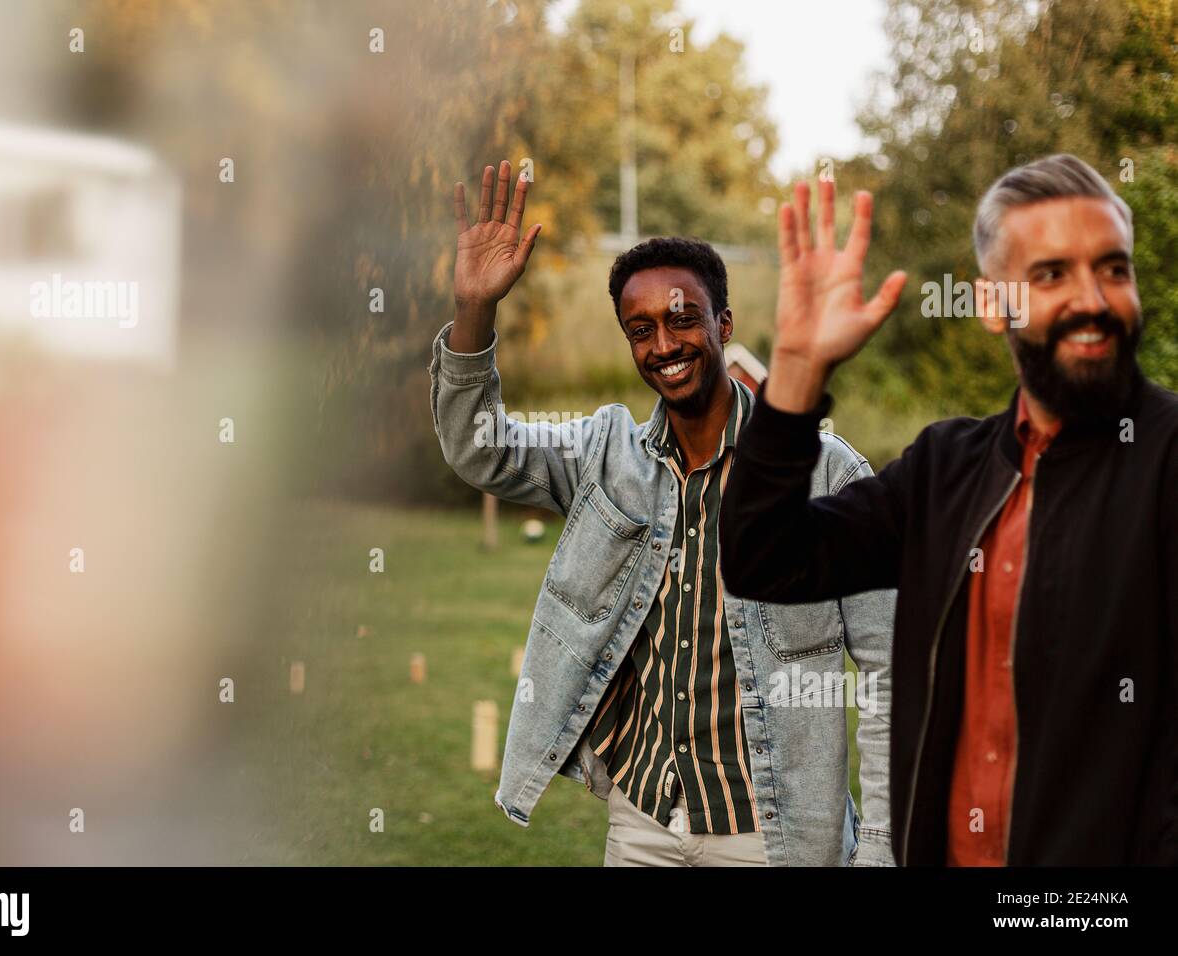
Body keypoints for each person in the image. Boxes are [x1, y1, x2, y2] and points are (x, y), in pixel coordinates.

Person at [428, 159, 895, 866]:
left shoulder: (827, 473)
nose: (664, 345)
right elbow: (478, 450)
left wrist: (882, 849)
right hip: (643, 819)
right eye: (640, 329)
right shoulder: (604, 452)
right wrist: (474, 309)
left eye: (682, 320)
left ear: (723, 322)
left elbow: (893, 668)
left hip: (772, 834)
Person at [719, 154, 1178, 865]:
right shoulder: (944, 468)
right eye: (1052, 274)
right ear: (992, 305)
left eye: (1114, 269)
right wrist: (798, 373)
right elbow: (764, 559)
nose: (1093, 298)